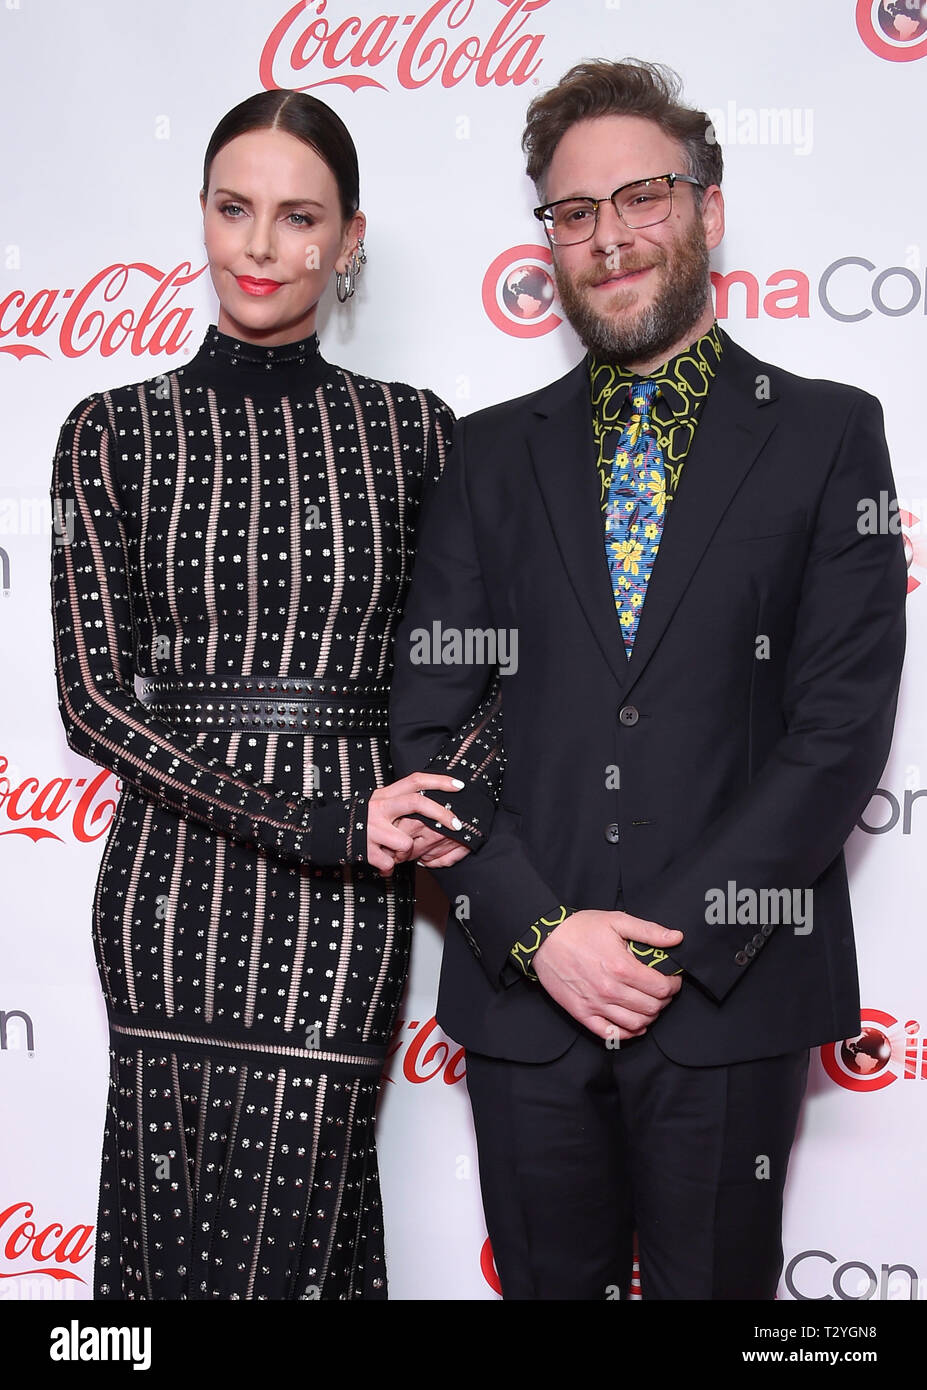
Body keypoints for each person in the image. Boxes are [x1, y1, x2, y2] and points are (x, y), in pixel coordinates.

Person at [389, 59, 907, 1300]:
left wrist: (667, 944)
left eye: (643, 197)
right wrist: (545, 933)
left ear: (709, 211)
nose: (610, 236)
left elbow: (837, 729)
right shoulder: (485, 454)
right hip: (526, 998)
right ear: (549, 242)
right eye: (575, 212)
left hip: (732, 994)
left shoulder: (832, 432)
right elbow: (431, 721)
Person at [49, 88, 503, 1301]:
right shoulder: (110, 432)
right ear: (200, 216)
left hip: (343, 899)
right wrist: (313, 821)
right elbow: (92, 699)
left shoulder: (417, 434)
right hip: (174, 886)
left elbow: (482, 661)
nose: (260, 245)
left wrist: (443, 803)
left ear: (350, 238)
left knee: (310, 1226)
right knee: (166, 1222)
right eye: (234, 208)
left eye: (299, 216)